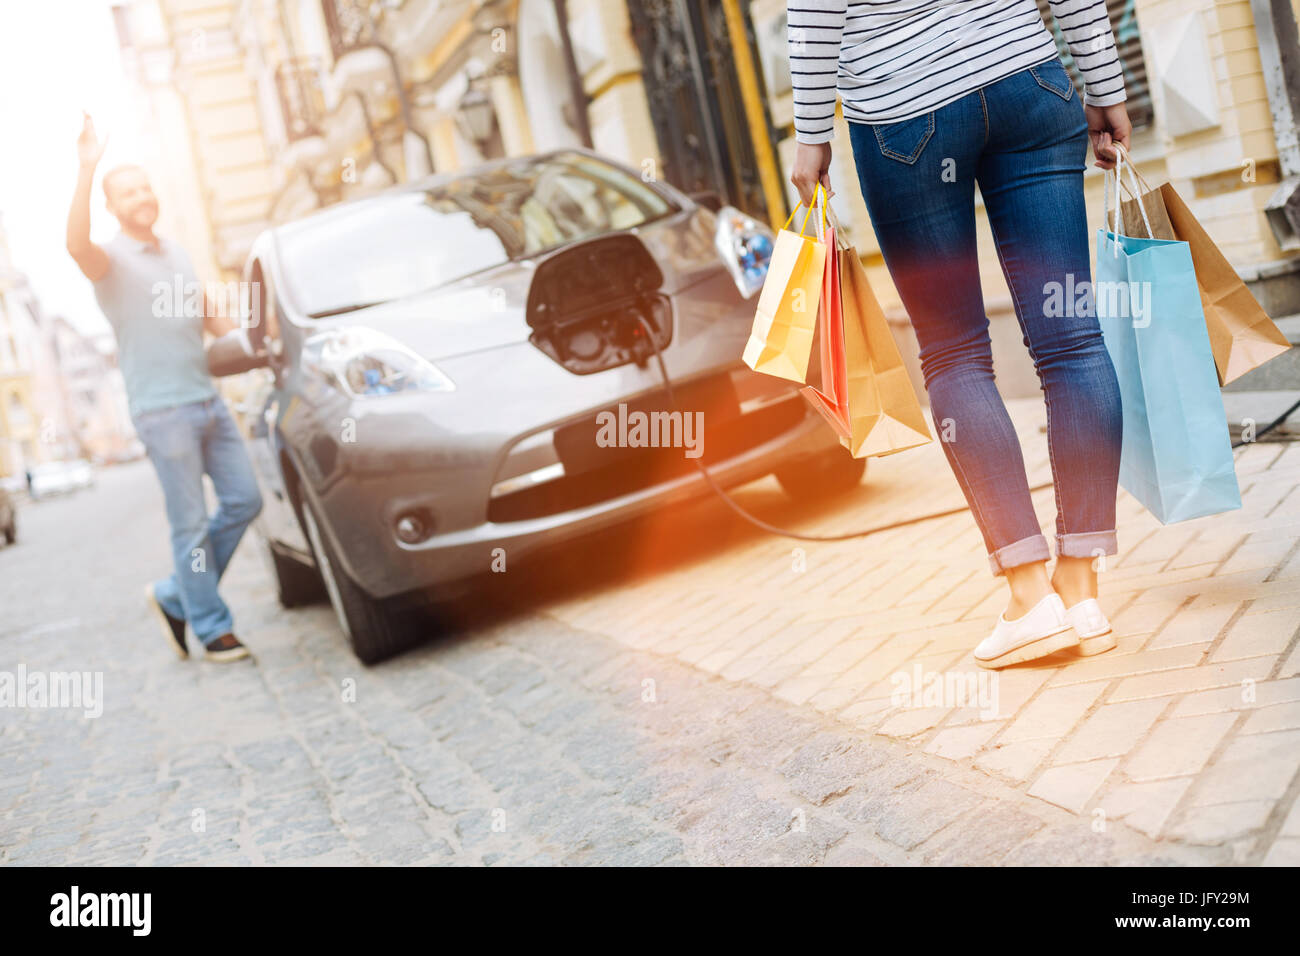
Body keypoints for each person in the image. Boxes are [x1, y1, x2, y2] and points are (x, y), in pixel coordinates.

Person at [788, 0, 1130, 669]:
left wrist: (810, 131)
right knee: (1073, 339)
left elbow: (813, 12)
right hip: (1028, 84)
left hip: (905, 114)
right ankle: (1081, 589)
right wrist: (1105, 86)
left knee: (953, 353)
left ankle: (1032, 597)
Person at [66, 113, 261, 663]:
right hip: (161, 412)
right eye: (127, 192)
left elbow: (210, 316)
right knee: (191, 526)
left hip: (208, 402)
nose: (141, 197)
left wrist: (258, 347)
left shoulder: (176, 252)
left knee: (244, 500)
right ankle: (210, 625)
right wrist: (87, 168)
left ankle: (175, 594)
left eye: (145, 187)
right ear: (112, 206)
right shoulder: (108, 260)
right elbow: (74, 244)